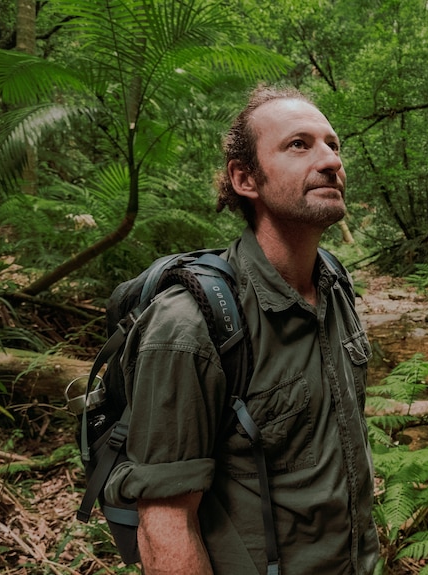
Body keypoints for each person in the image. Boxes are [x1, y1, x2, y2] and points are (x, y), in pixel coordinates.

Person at [104, 85, 380, 574]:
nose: (330, 160)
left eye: (332, 145)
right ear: (245, 178)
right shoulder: (190, 324)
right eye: (299, 144)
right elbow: (165, 522)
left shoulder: (336, 286)